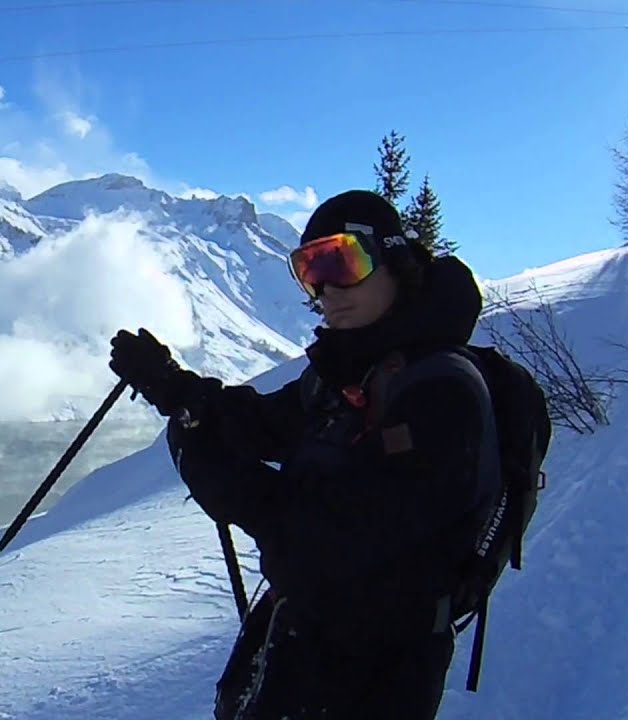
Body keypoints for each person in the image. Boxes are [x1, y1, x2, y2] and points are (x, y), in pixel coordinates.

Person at [108, 189, 500, 719]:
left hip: (378, 671)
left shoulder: (441, 392)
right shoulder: (348, 371)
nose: (326, 289)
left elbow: (331, 545)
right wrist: (178, 390)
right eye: (310, 269)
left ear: (395, 259)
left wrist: (234, 490)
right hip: (304, 638)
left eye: (343, 261)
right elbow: (263, 423)